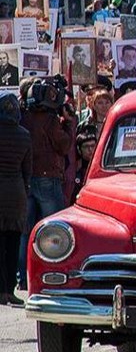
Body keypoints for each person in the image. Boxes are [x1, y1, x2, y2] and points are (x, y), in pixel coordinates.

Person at [19, 79, 72, 289]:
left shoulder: (22, 117)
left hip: (26, 178)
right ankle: (54, 276)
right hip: (48, 178)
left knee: (25, 232)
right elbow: (64, 145)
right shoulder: (50, 120)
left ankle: (24, 280)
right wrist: (68, 123)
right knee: (54, 229)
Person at [0, 93, 30, 304]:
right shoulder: (24, 135)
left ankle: (0, 290)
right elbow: (27, 171)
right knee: (13, 243)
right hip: (16, 193)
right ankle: (10, 290)